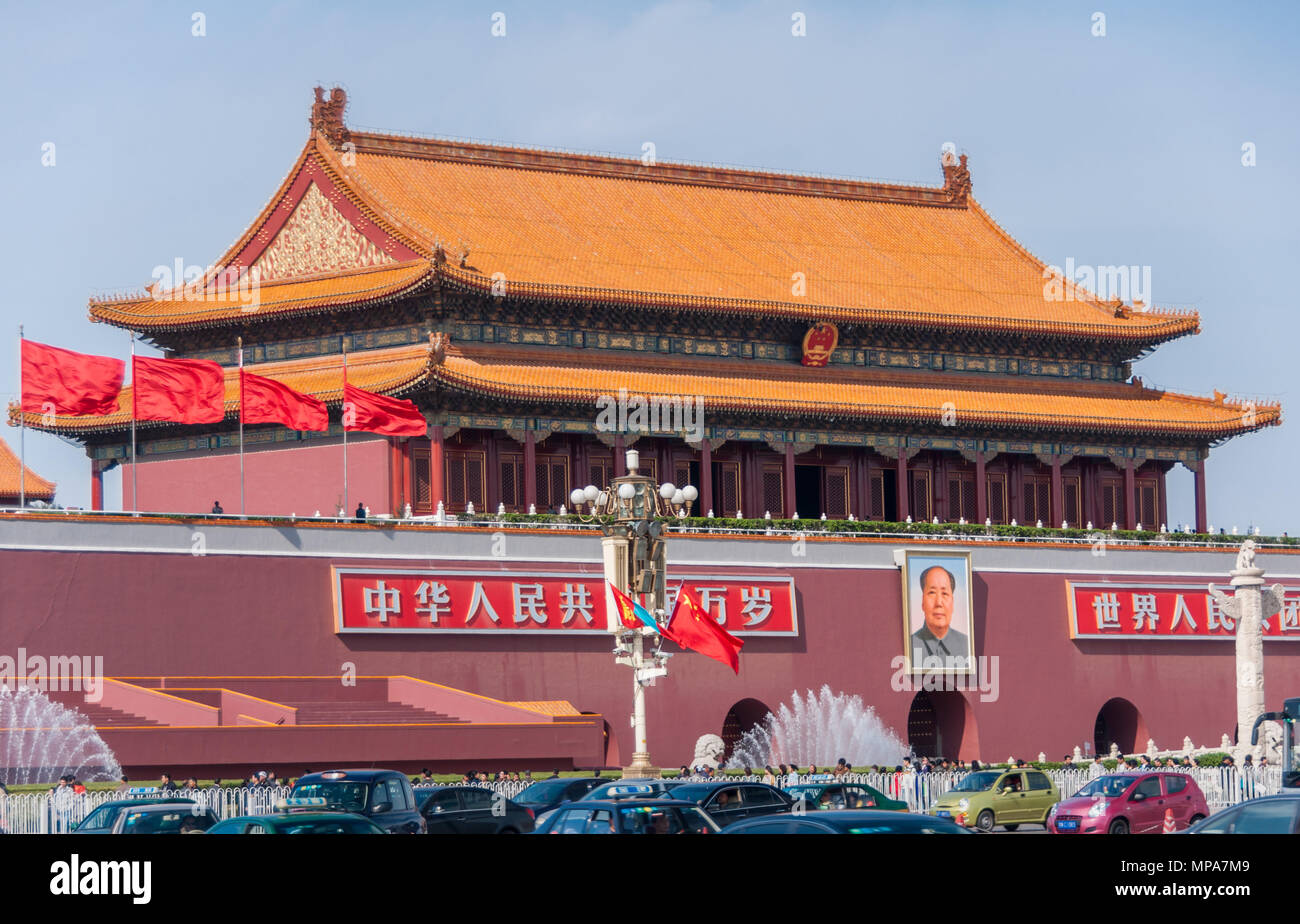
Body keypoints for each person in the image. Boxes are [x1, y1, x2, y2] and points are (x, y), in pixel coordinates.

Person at [910, 564, 970, 670]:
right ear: (922, 602)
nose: (938, 603)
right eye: (932, 593)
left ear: (953, 603)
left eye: (945, 593)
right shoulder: (910, 645)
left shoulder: (967, 646)